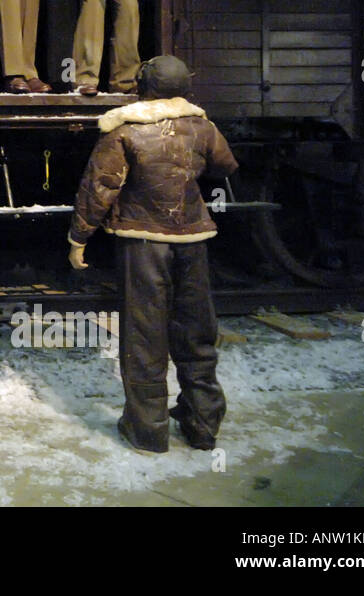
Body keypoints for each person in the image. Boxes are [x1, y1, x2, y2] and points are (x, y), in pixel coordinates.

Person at [66, 55, 238, 453]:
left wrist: (79, 238)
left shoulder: (123, 130)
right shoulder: (202, 126)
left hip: (142, 243)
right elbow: (227, 166)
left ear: (141, 86)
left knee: (145, 335)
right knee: (197, 333)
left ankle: (148, 430)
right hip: (193, 240)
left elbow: (99, 190)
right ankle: (202, 424)